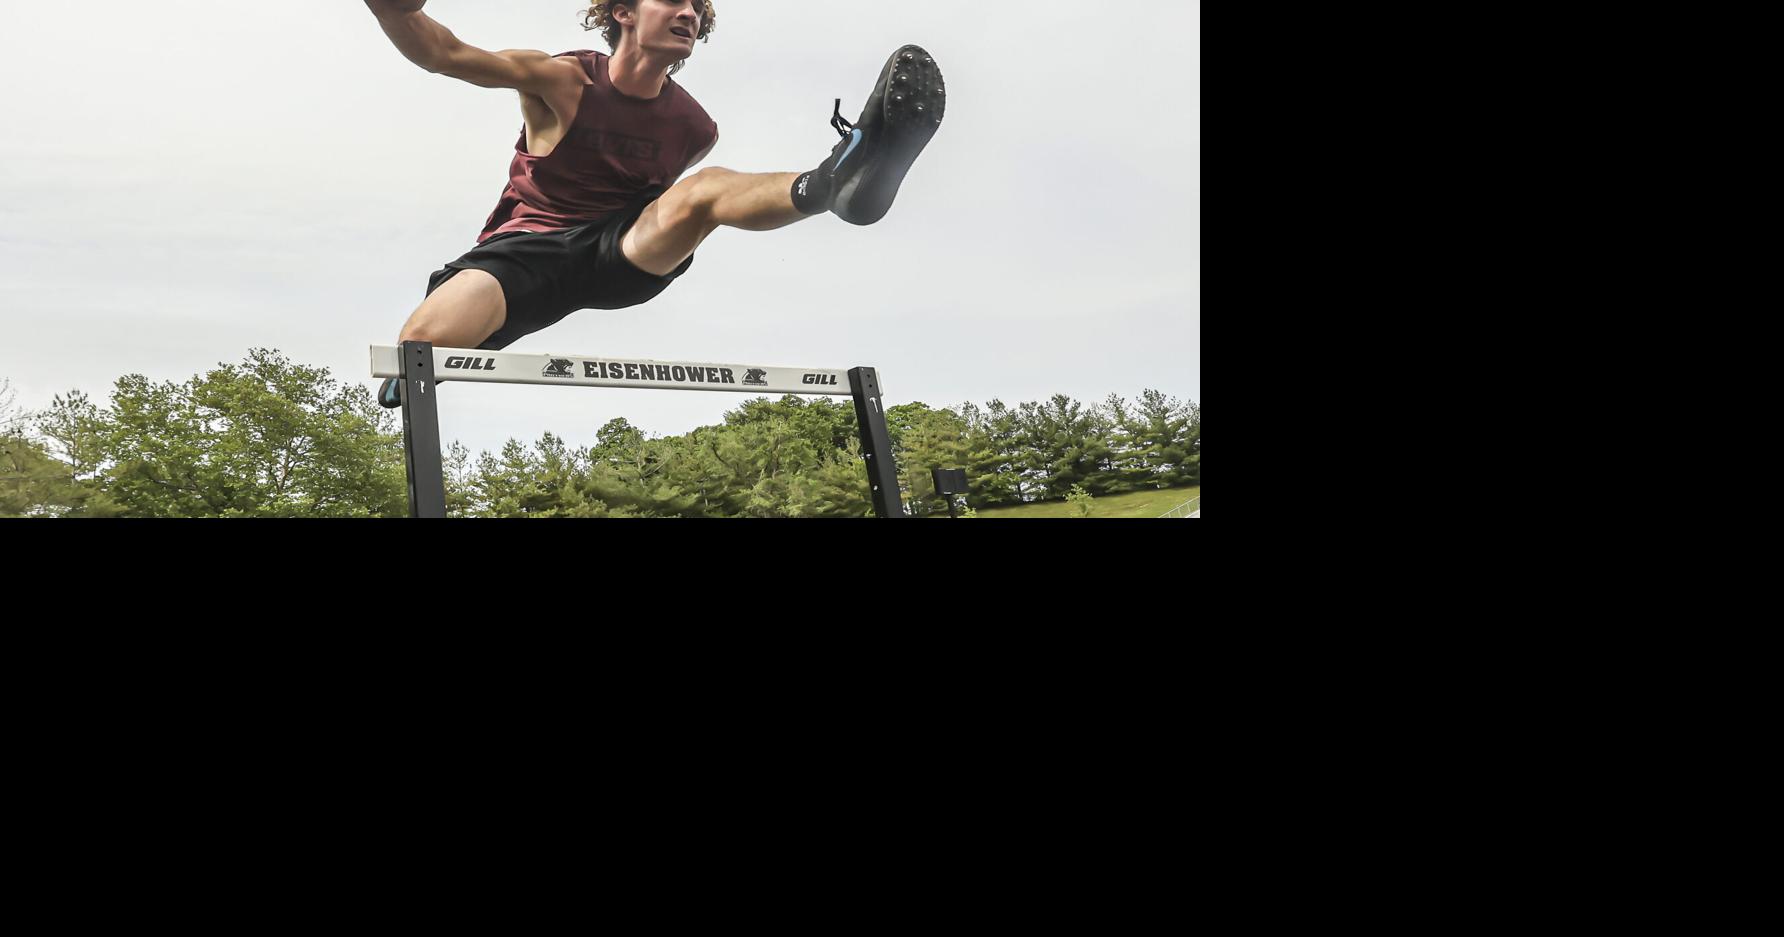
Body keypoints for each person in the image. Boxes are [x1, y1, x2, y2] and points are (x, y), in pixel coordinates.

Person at [363, 0, 945, 407]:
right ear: (623, 13)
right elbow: (444, 52)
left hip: (621, 251)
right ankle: (419, 378)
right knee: (415, 352)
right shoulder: (559, 79)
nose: (689, 12)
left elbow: (679, 205)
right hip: (525, 254)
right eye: (672, 0)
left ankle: (836, 182)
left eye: (697, 8)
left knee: (702, 189)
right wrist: (395, 10)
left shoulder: (695, 128)